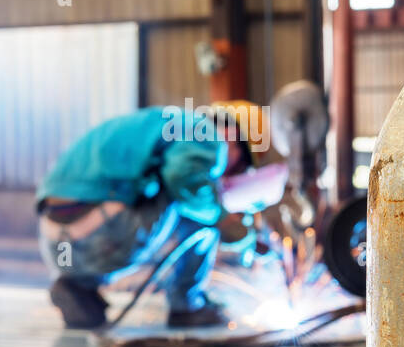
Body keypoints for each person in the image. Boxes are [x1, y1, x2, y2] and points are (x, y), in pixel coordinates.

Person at [36, 102, 272, 330]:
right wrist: (225, 220)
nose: (230, 173)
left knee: (178, 194)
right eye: (240, 164)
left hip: (58, 244)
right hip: (99, 235)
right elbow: (185, 180)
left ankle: (77, 286)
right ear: (232, 135)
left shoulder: (161, 124)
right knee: (199, 208)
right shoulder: (204, 132)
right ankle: (188, 306)